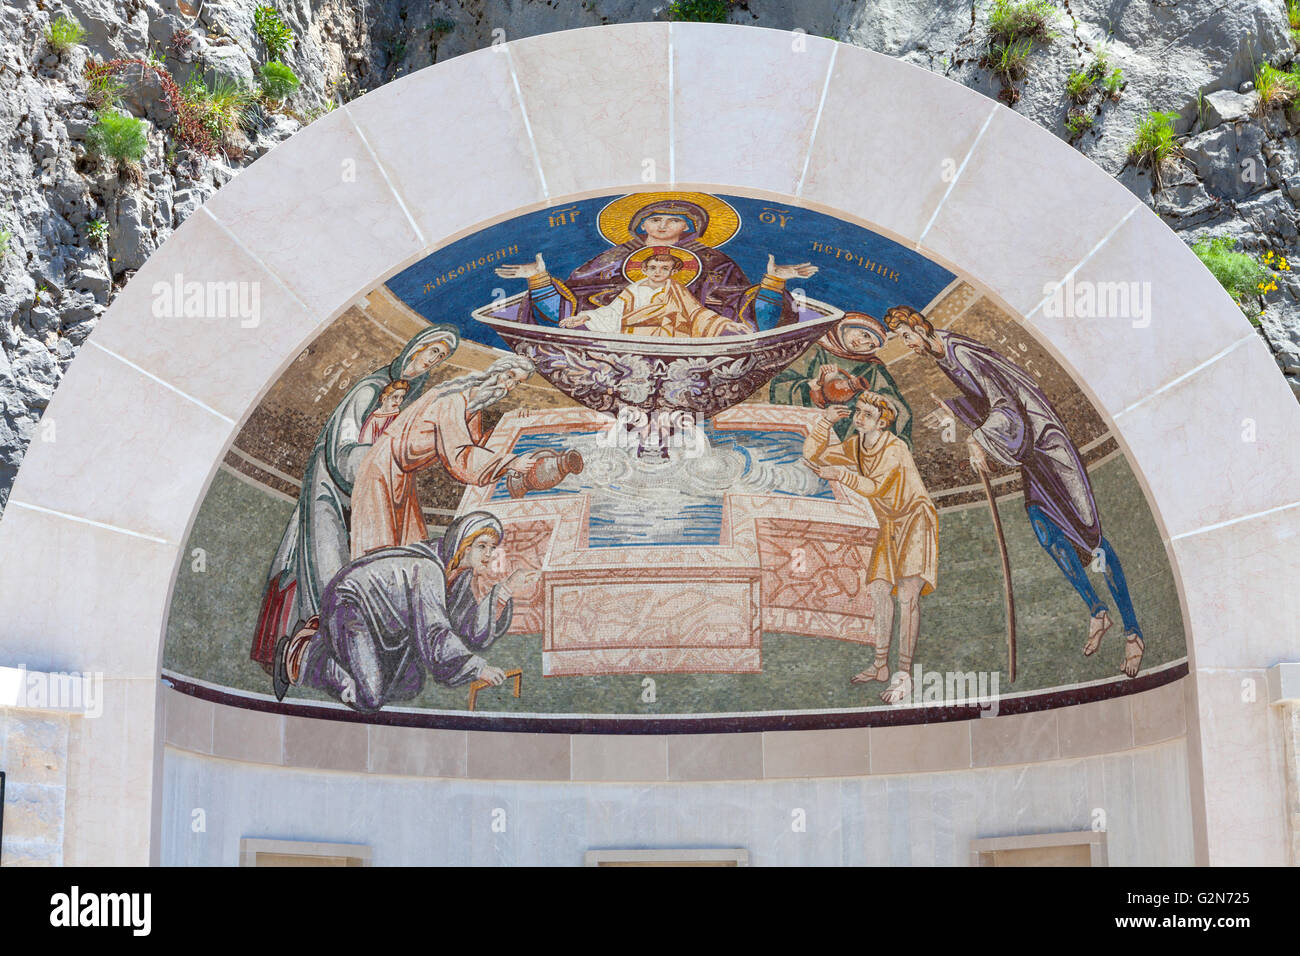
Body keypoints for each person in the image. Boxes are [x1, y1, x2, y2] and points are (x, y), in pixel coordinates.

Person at [885, 305, 1145, 678]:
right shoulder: (945, 355)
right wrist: (958, 411)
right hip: (1031, 455)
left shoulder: (961, 352)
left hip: (1047, 446)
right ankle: (1097, 611)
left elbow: (1007, 405)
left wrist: (979, 438)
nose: (907, 344)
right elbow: (989, 402)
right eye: (901, 340)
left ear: (919, 326)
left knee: (1091, 539)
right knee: (1045, 531)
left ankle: (1134, 633)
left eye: (906, 336)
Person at [251, 325, 459, 671]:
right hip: (330, 488)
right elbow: (343, 447)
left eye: (438, 357)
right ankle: (313, 646)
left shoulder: (406, 399)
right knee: (326, 559)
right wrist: (377, 460)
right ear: (415, 347)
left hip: (367, 493)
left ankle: (352, 645)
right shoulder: (369, 390)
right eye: (430, 351)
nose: (431, 360)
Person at [275, 512, 538, 710]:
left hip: (385, 629)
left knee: (410, 683)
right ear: (462, 546)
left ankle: (332, 649)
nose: (488, 555)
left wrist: (503, 591)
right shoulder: (429, 570)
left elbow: (471, 633)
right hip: (350, 608)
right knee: (370, 697)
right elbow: (437, 634)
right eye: (482, 547)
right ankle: (308, 655)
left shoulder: (456, 577)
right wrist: (477, 669)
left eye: (492, 549)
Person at [348, 355, 581, 558]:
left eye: (516, 383)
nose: (508, 386)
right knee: (380, 544)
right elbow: (461, 455)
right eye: (508, 376)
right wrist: (511, 462)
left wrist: (511, 422)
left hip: (401, 472)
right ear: (495, 371)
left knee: (410, 545)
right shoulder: (452, 401)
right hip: (382, 468)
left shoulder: (471, 407)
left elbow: (478, 446)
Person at [495, 194, 817, 331]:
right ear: (642, 226)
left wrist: (774, 282)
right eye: (655, 220)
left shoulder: (715, 261)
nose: (663, 226)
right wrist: (539, 279)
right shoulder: (612, 259)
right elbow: (573, 304)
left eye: (672, 221)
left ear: (687, 227)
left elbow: (749, 314)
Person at [804, 390, 938, 703]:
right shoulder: (857, 446)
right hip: (889, 523)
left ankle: (903, 674)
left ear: (883, 422)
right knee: (879, 591)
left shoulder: (894, 447)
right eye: (858, 411)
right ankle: (880, 665)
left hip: (916, 519)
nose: (858, 417)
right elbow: (813, 456)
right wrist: (824, 424)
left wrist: (841, 475)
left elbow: (876, 486)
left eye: (867, 414)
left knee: (906, 596)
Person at [769, 312, 913, 446]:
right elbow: (781, 385)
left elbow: (898, 408)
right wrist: (816, 385)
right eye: (864, 334)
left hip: (851, 436)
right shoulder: (814, 348)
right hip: (806, 431)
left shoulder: (872, 367)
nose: (862, 343)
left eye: (870, 345)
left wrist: (874, 401)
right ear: (847, 325)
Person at [557, 248, 752, 337]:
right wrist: (583, 318)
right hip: (633, 336)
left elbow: (696, 313)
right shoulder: (633, 290)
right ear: (644, 270)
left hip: (669, 337)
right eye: (653, 268)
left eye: (664, 268)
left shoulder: (677, 289)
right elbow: (612, 312)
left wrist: (727, 323)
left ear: (673, 272)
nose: (658, 272)